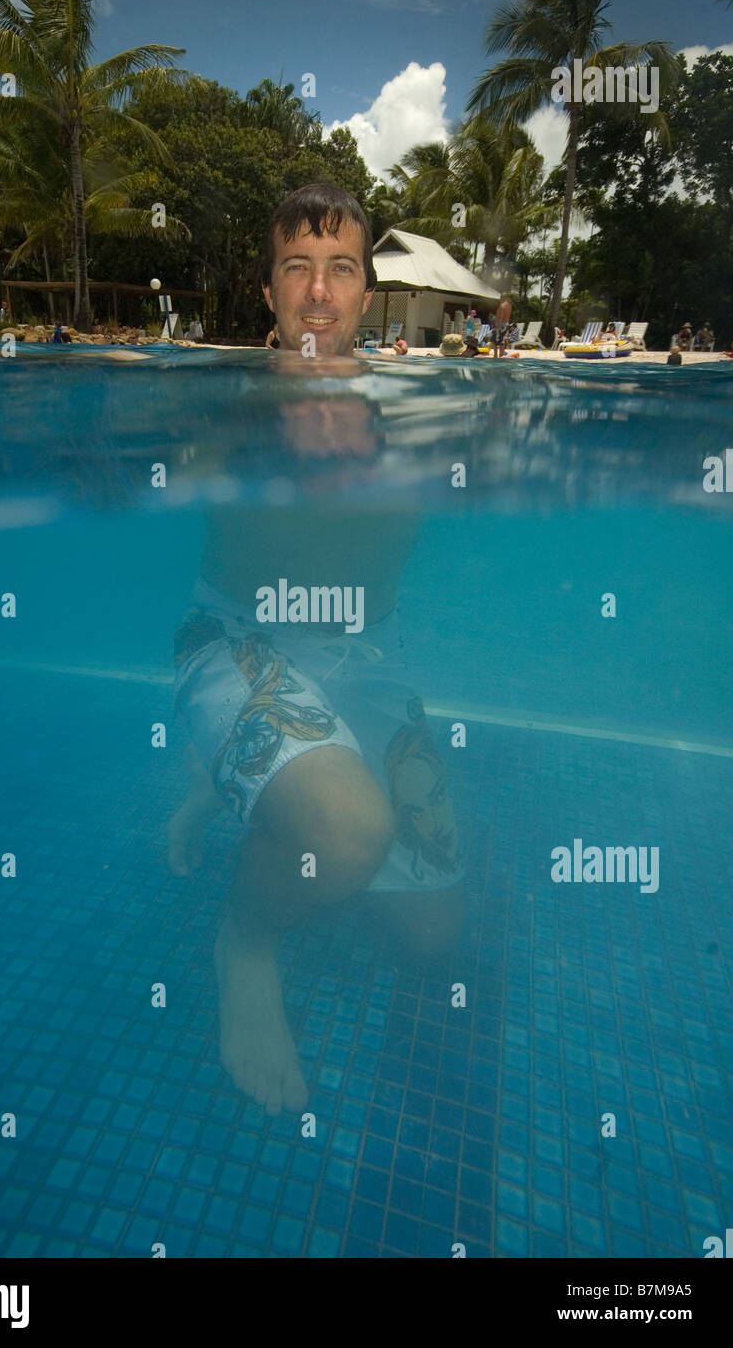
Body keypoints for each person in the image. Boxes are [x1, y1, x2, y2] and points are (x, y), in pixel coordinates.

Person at [168, 182, 464, 1115]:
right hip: (239, 642)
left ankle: (253, 793)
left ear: (368, 292)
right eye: (298, 268)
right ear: (268, 292)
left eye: (341, 269)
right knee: (349, 832)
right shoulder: (225, 408)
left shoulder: (421, 411)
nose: (320, 293)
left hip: (369, 661)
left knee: (434, 932)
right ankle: (245, 941)